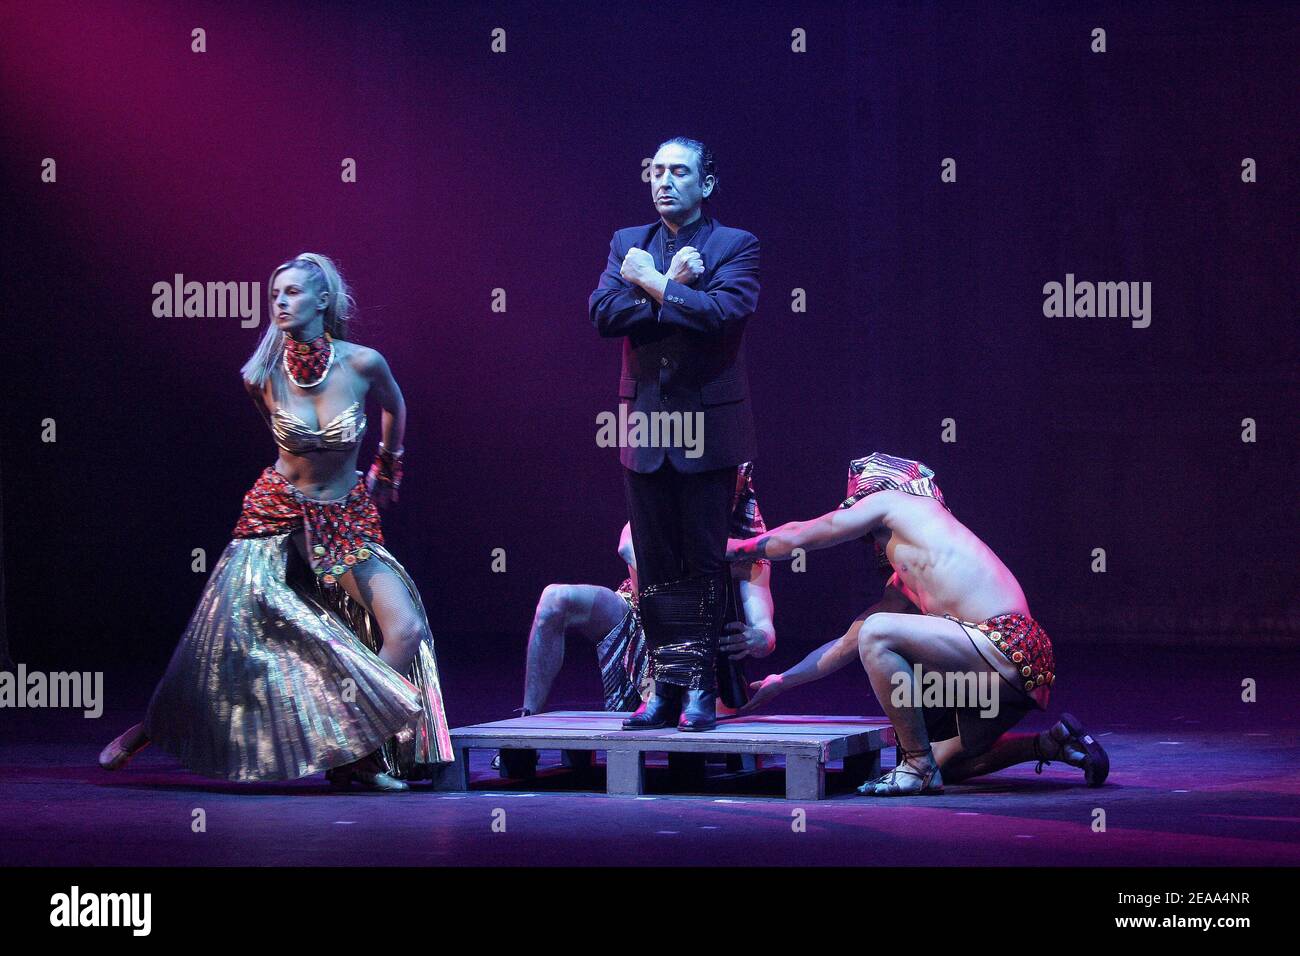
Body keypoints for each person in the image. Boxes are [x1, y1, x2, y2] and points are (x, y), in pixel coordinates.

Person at [97, 253, 452, 792]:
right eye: (275, 296)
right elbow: (288, 452)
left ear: (323, 301)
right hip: (277, 513)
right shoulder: (260, 375)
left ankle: (353, 752)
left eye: (291, 293)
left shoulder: (363, 363)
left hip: (346, 518)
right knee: (224, 643)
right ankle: (152, 726)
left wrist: (388, 465)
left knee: (404, 630)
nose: (280, 303)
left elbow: (395, 405)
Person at [728, 452, 1109, 795]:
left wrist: (726, 548)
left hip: (1004, 644)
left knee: (880, 632)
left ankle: (915, 765)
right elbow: (848, 644)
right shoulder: (908, 577)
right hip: (1016, 671)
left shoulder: (894, 502)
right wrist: (781, 682)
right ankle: (1052, 743)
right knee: (949, 764)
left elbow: (800, 536)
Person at [590, 136, 761, 732]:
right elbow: (602, 314)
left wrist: (654, 284)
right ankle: (663, 688)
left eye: (679, 172)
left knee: (704, 563)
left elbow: (719, 316)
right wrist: (664, 284)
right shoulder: (626, 243)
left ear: (705, 183)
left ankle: (701, 688)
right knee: (657, 564)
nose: (664, 180)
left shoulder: (735, 245)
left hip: (708, 429)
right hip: (645, 430)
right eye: (657, 170)